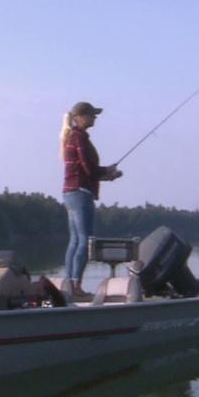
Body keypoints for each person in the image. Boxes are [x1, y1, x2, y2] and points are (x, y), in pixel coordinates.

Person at [61, 101, 123, 295]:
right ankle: (76, 286)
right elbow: (88, 169)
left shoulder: (73, 137)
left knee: (74, 240)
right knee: (85, 240)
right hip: (80, 194)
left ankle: (69, 284)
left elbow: (84, 170)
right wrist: (107, 171)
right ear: (79, 117)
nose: (94, 117)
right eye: (91, 114)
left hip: (71, 192)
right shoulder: (79, 138)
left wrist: (107, 175)